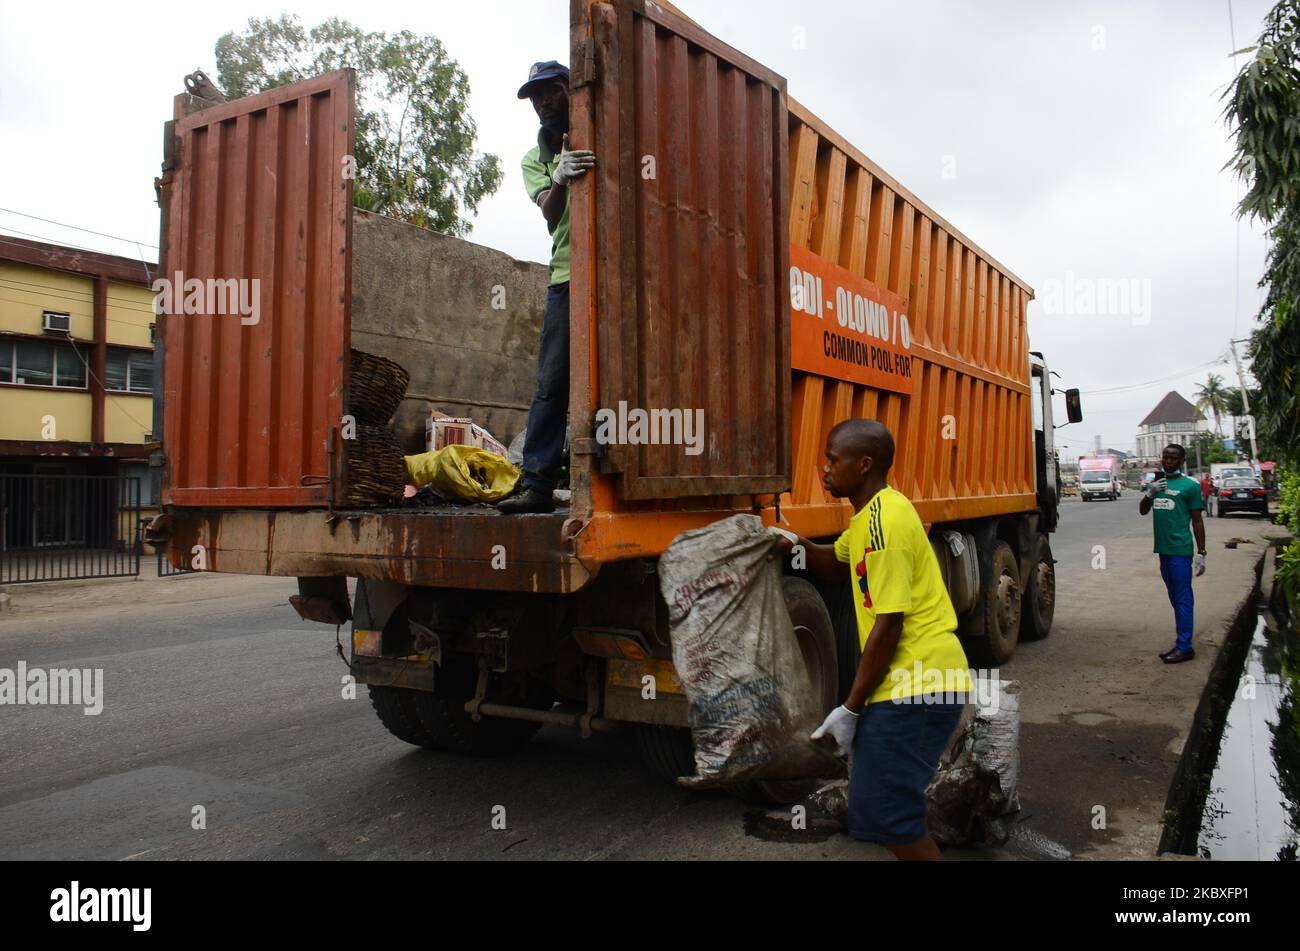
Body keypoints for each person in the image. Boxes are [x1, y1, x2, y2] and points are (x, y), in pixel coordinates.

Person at [775, 420, 971, 861]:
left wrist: (850, 707)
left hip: (920, 684)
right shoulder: (866, 517)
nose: (824, 469)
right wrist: (794, 544)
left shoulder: (887, 522)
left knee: (887, 814)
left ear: (863, 465)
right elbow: (836, 562)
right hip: (905, 685)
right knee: (877, 809)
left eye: (832, 459)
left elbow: (890, 624)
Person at [498, 61, 597, 515]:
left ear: (567, 90)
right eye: (534, 98)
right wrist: (559, 177)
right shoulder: (534, 158)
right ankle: (537, 484)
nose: (541, 103)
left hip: (613, 276)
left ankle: (606, 478)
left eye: (548, 92)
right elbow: (550, 214)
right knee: (552, 382)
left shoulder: (602, 125)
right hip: (566, 277)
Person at [1139, 444, 1206, 664]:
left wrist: (1201, 552)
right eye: (1166, 457)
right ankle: (1182, 639)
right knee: (1175, 597)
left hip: (1181, 550)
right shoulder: (1157, 485)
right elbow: (1142, 510)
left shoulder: (1190, 487)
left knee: (1183, 597)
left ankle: (1184, 647)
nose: (1169, 461)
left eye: (1174, 458)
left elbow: (1197, 521)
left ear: (1182, 460)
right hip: (1163, 551)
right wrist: (1150, 494)